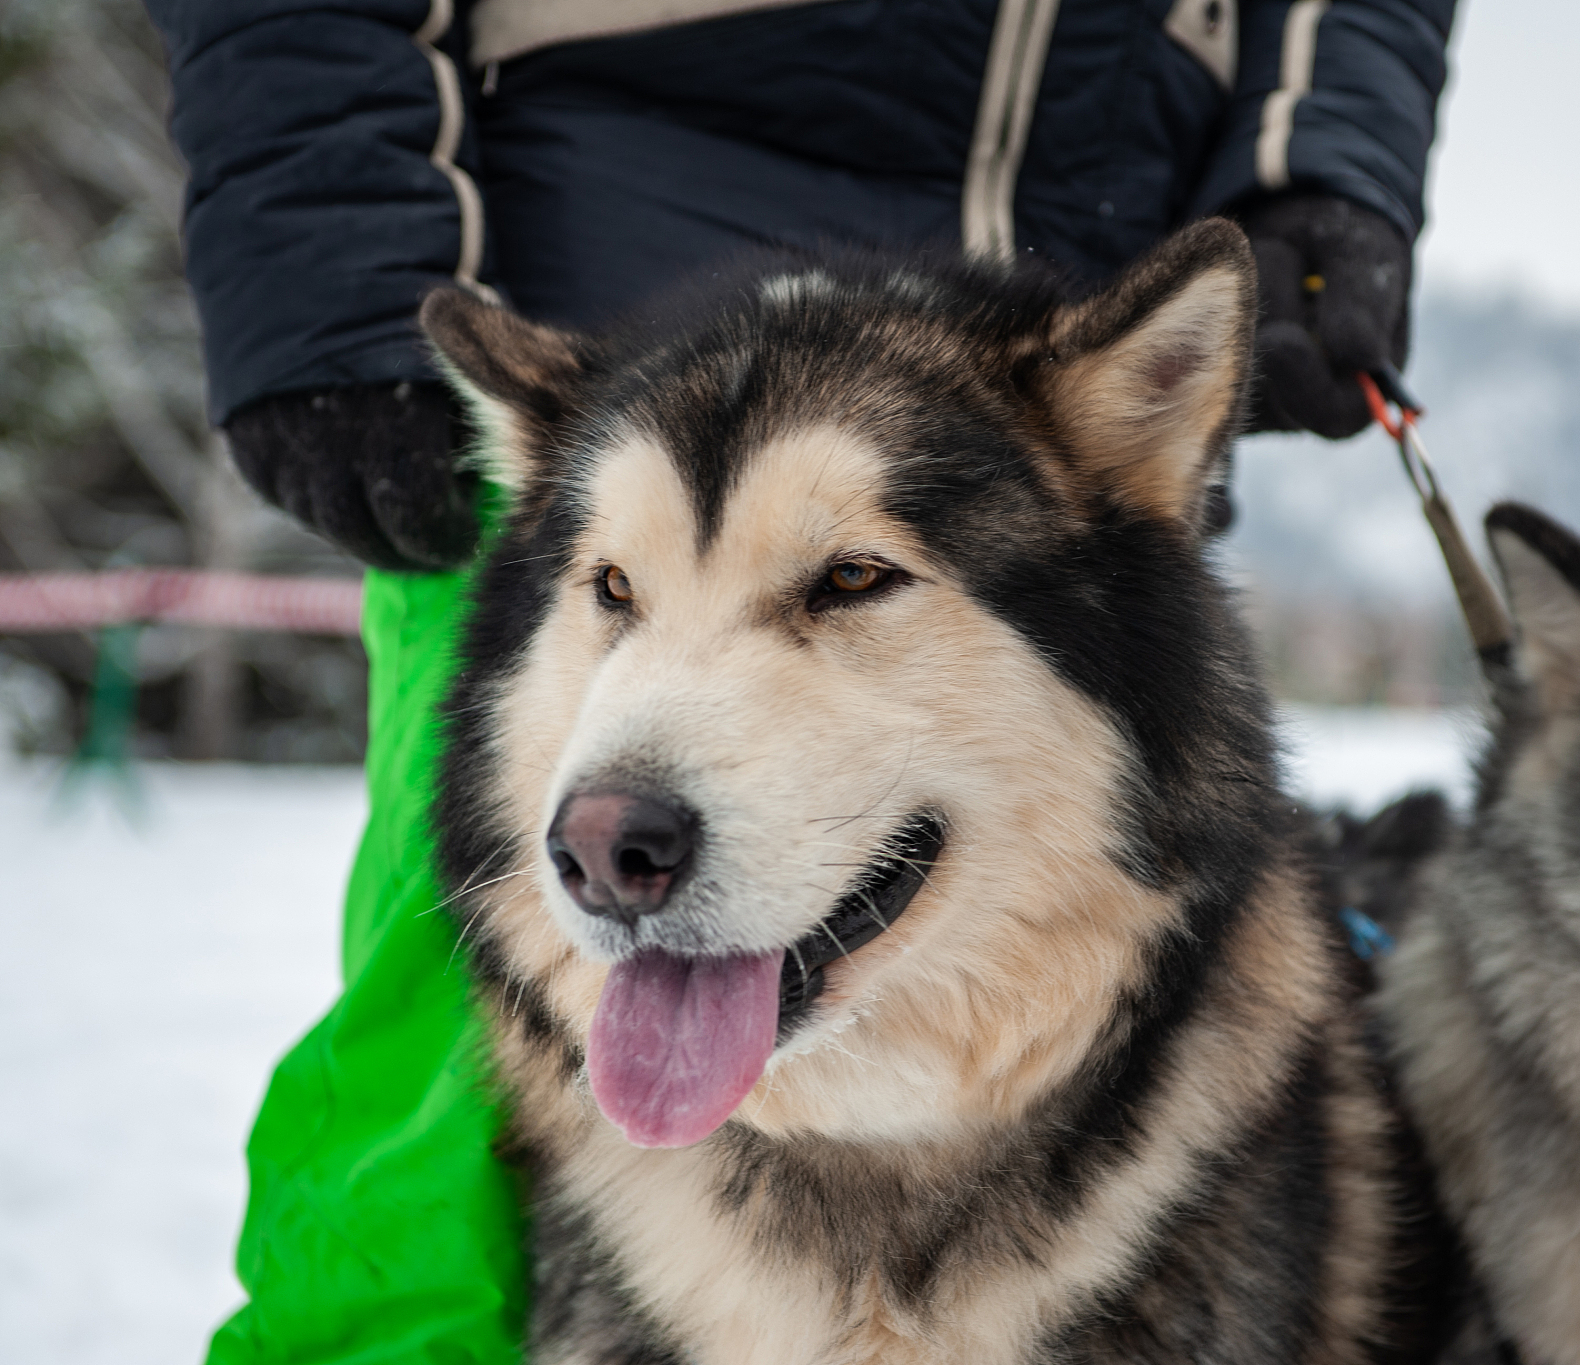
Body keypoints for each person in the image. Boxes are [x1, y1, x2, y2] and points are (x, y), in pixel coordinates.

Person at [144, 1, 1458, 1358]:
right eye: (615, 595)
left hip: (1079, 258)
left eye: (844, 582)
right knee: (425, 1108)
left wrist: (1328, 158)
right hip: (575, 256)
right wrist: (329, 257)